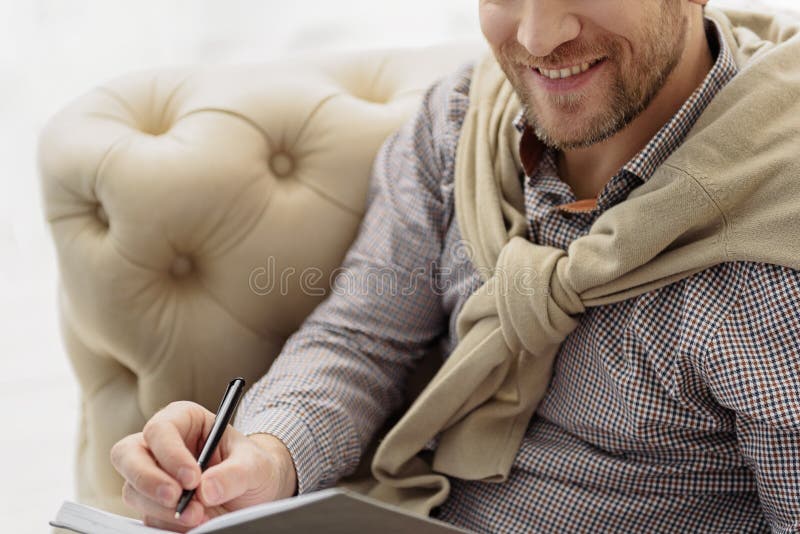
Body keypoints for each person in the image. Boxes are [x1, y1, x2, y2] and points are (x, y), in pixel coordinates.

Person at [110, 1, 800, 532]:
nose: (537, 36)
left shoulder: (776, 252)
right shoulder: (462, 123)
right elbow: (360, 339)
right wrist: (263, 457)